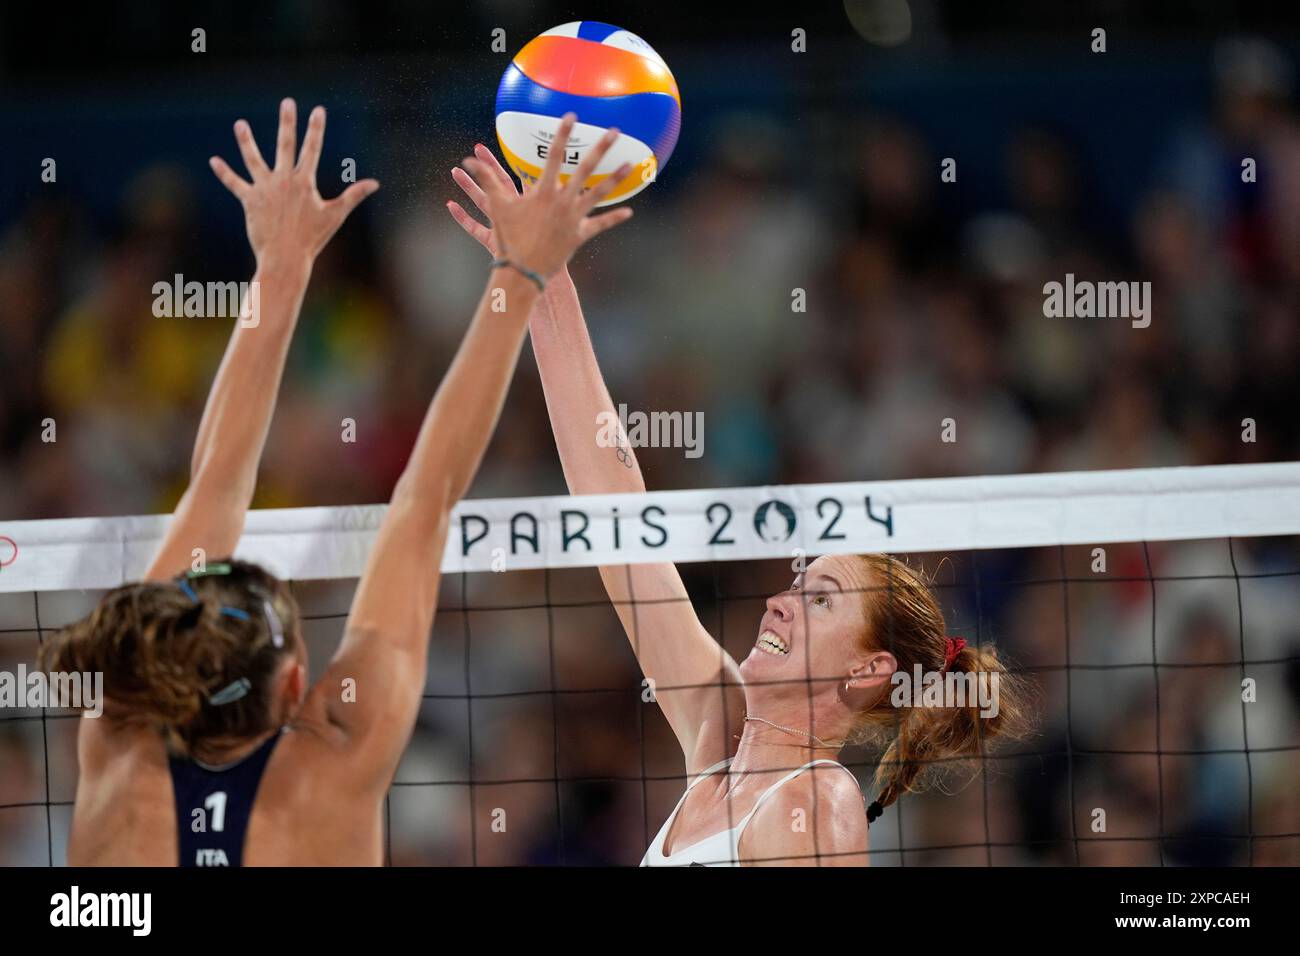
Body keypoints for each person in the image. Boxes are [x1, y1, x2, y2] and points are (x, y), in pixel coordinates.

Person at [40, 107, 632, 865]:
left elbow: (222, 489)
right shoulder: (333, 771)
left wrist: (279, 269)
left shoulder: (116, 746)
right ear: (295, 686)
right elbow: (421, 500)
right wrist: (519, 273)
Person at [448, 146, 1028, 866]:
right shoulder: (717, 737)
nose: (781, 601)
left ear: (866, 671)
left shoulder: (816, 802)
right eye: (800, 583)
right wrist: (543, 273)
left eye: (820, 600)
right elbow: (615, 512)